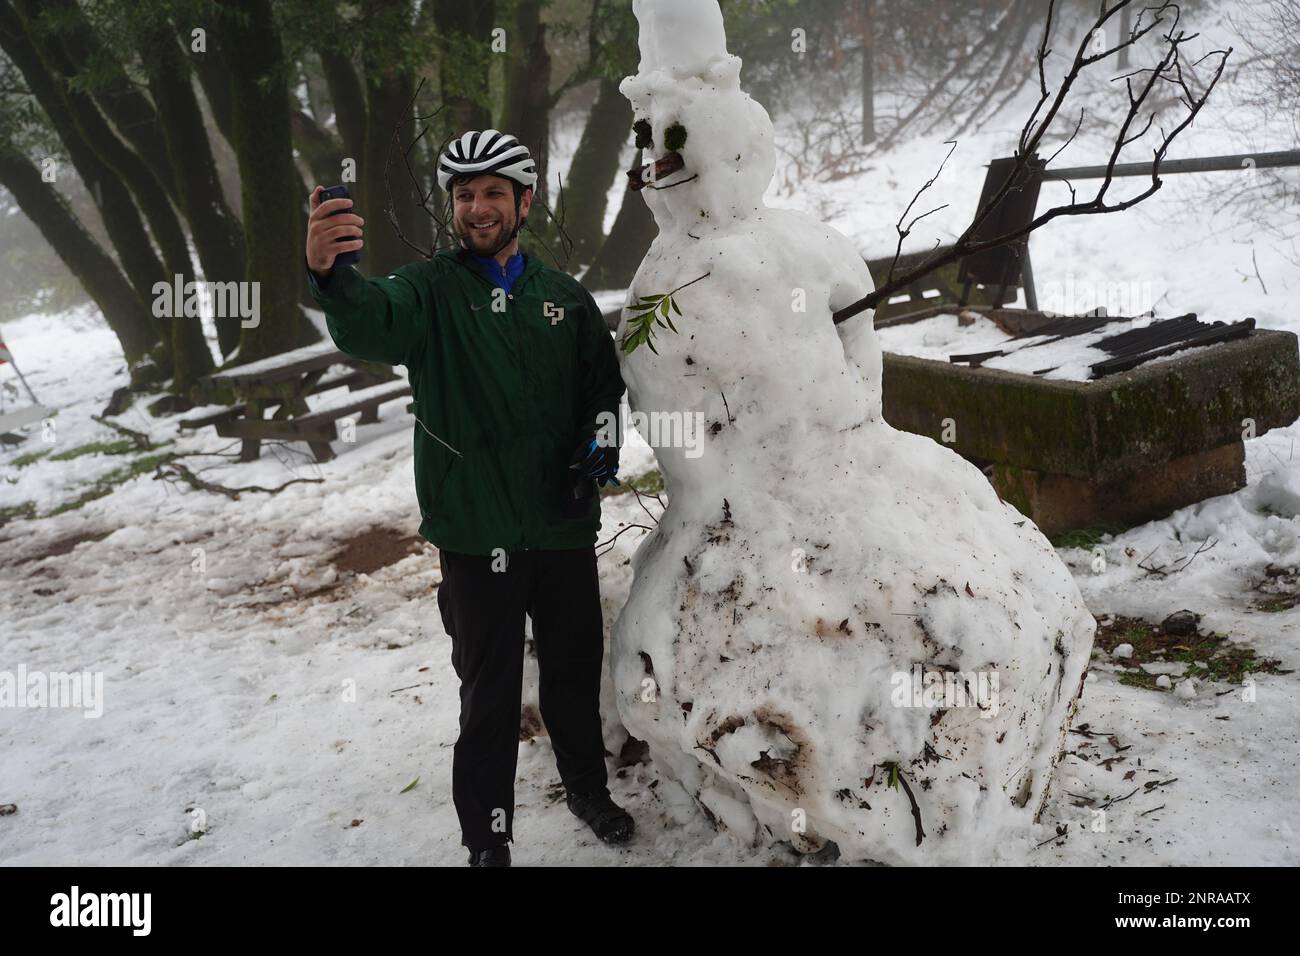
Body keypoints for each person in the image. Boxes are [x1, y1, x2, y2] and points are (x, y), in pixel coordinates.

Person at [304, 129, 633, 867]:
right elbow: (369, 319)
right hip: (475, 527)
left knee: (573, 675)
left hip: (560, 524)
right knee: (488, 695)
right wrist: (330, 275)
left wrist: (600, 447)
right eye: (463, 196)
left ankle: (587, 789)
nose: (477, 209)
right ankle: (488, 838)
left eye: (491, 194)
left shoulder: (564, 299)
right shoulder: (431, 292)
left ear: (525, 199)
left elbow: (603, 391)